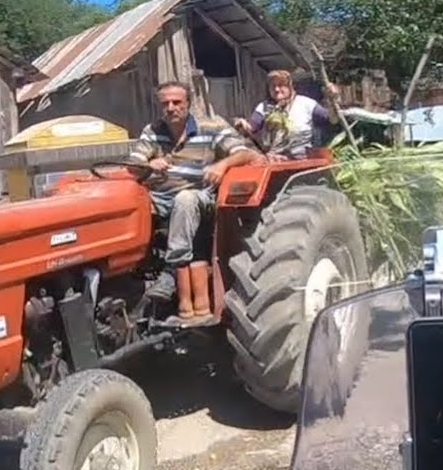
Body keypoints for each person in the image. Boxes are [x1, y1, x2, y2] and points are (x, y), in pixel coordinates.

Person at [127, 81, 262, 313]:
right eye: (165, 103)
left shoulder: (210, 126)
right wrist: (149, 163)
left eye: (177, 102)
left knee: (185, 199)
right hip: (159, 199)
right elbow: (133, 164)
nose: (171, 108)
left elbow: (245, 153)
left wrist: (221, 165)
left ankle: (172, 270)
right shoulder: (153, 130)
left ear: (188, 104)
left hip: (201, 199)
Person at [234, 70, 342, 159]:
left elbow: (333, 120)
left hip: (302, 159)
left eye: (281, 85)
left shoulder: (306, 103)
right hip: (274, 159)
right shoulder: (264, 107)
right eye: (273, 86)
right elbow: (251, 128)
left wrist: (334, 100)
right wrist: (242, 125)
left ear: (291, 87)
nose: (276, 89)